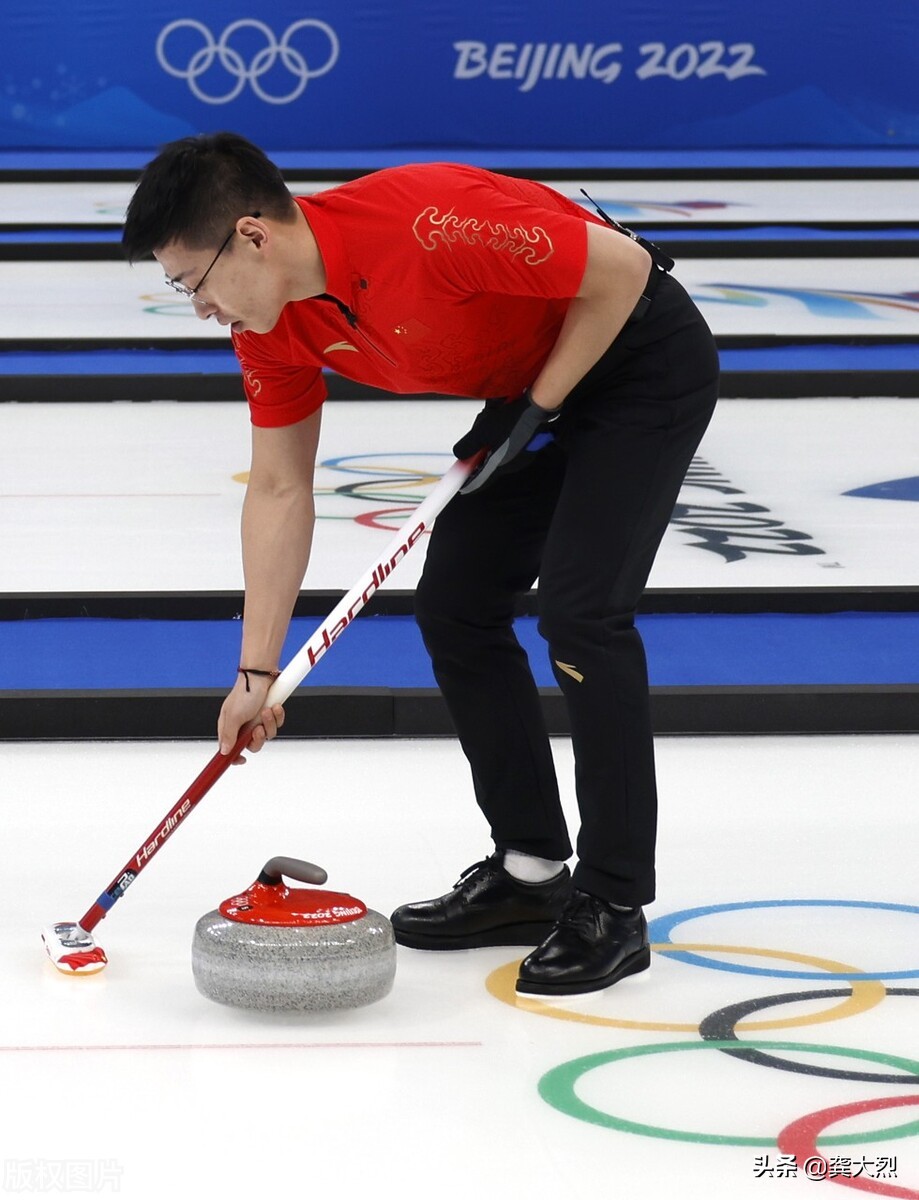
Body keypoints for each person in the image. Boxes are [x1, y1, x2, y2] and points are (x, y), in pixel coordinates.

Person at [122, 131, 719, 998]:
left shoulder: (429, 222)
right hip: (531, 392)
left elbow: (623, 270)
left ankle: (613, 904)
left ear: (250, 235)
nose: (200, 309)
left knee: (582, 614)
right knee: (455, 608)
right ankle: (528, 874)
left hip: (635, 362)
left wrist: (535, 409)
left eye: (194, 283)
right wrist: (257, 670)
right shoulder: (272, 328)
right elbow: (282, 489)